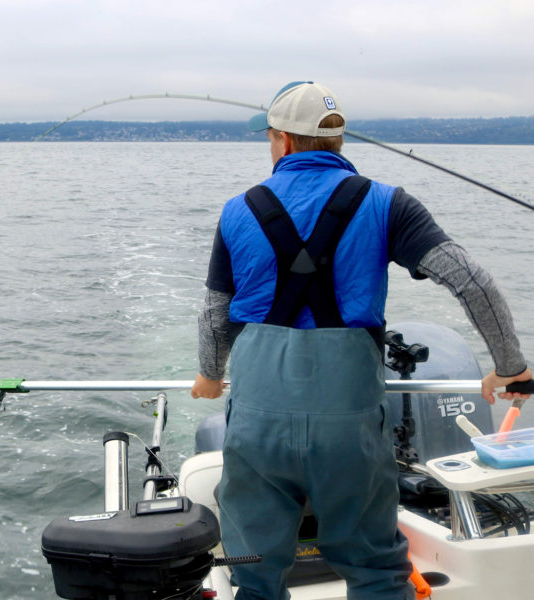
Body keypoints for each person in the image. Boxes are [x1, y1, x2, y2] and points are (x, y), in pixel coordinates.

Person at [190, 81, 532, 600]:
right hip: (348, 428)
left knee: (254, 573)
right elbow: (472, 280)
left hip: (258, 423)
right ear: (338, 141)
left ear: (280, 140)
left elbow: (216, 313)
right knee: (376, 572)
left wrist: (210, 375)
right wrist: (509, 365)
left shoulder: (238, 210)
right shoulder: (389, 204)